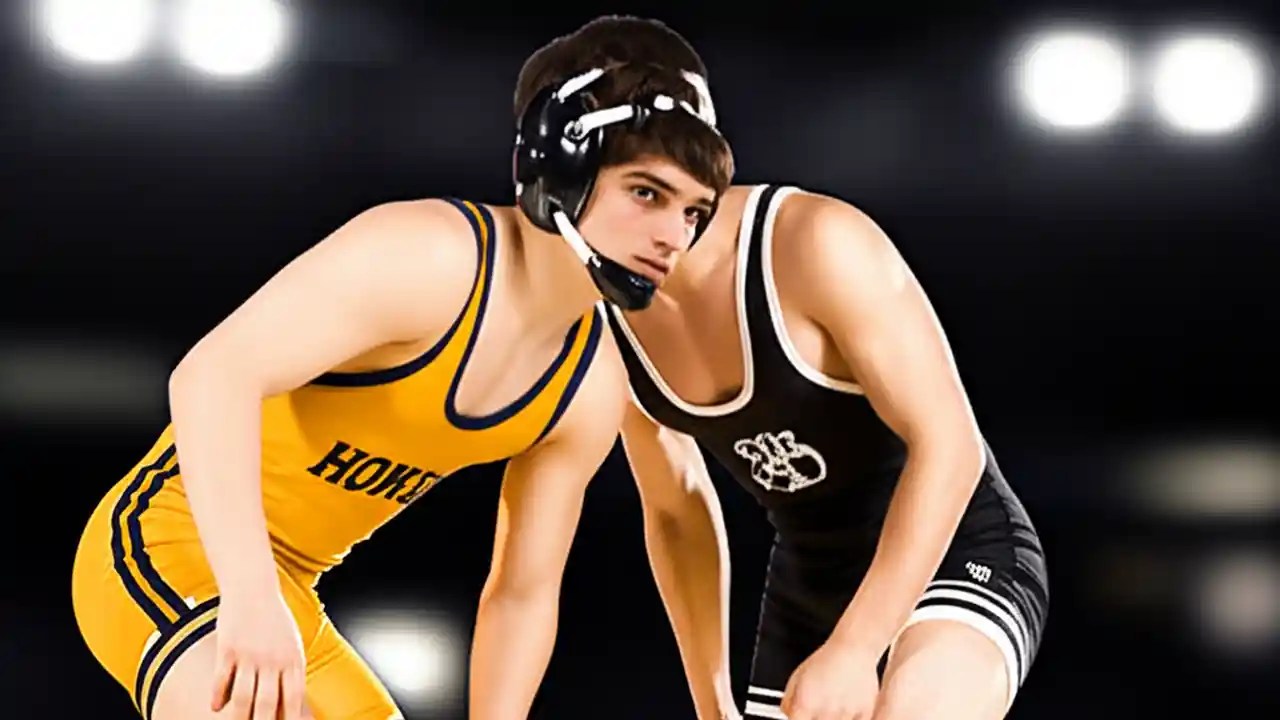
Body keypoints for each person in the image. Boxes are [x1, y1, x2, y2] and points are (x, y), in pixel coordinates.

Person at [70, 16, 734, 720]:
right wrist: (251, 600)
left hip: (290, 593)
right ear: (559, 168)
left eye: (694, 211)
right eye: (646, 193)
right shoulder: (427, 259)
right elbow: (210, 376)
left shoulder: (589, 385)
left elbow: (521, 592)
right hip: (166, 548)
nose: (674, 235)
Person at [576, 22, 1049, 720]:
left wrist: (859, 648)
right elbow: (676, 510)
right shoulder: (602, 313)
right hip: (812, 580)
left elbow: (950, 447)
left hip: (955, 549)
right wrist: (713, 706)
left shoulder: (812, 242)